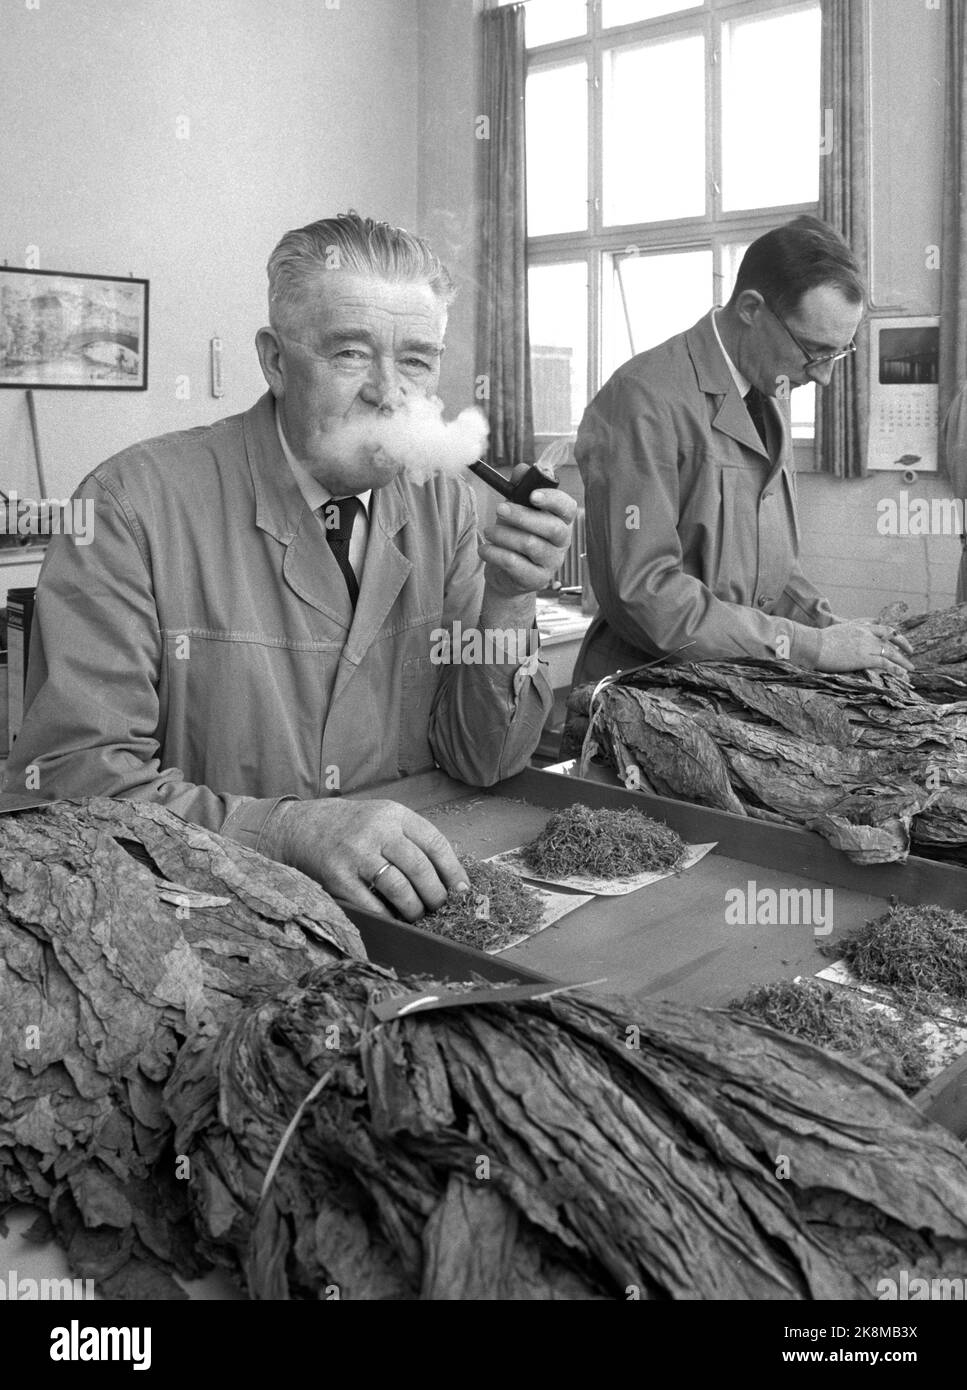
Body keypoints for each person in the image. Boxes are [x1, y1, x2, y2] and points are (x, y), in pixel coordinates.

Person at [3, 213, 576, 922]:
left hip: (407, 909)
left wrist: (510, 601)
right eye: (350, 354)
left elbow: (483, 761)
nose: (389, 393)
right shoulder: (130, 507)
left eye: (418, 360)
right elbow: (67, 787)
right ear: (274, 361)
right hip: (201, 921)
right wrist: (284, 830)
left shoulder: (445, 508)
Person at [572, 215, 914, 688]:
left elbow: (775, 578)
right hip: (646, 689)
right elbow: (645, 595)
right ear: (752, 309)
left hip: (738, 681)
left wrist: (831, 629)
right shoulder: (642, 399)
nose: (823, 376)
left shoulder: (768, 390)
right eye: (814, 351)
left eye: (838, 354)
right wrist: (810, 647)